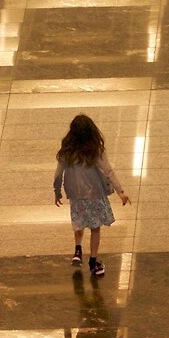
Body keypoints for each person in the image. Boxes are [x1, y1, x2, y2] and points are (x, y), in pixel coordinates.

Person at [54, 114, 131, 276]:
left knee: (79, 222)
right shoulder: (95, 150)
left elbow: (58, 174)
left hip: (75, 194)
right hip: (95, 193)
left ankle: (77, 251)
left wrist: (57, 192)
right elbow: (108, 171)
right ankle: (93, 261)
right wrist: (121, 192)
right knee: (95, 228)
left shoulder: (67, 151)